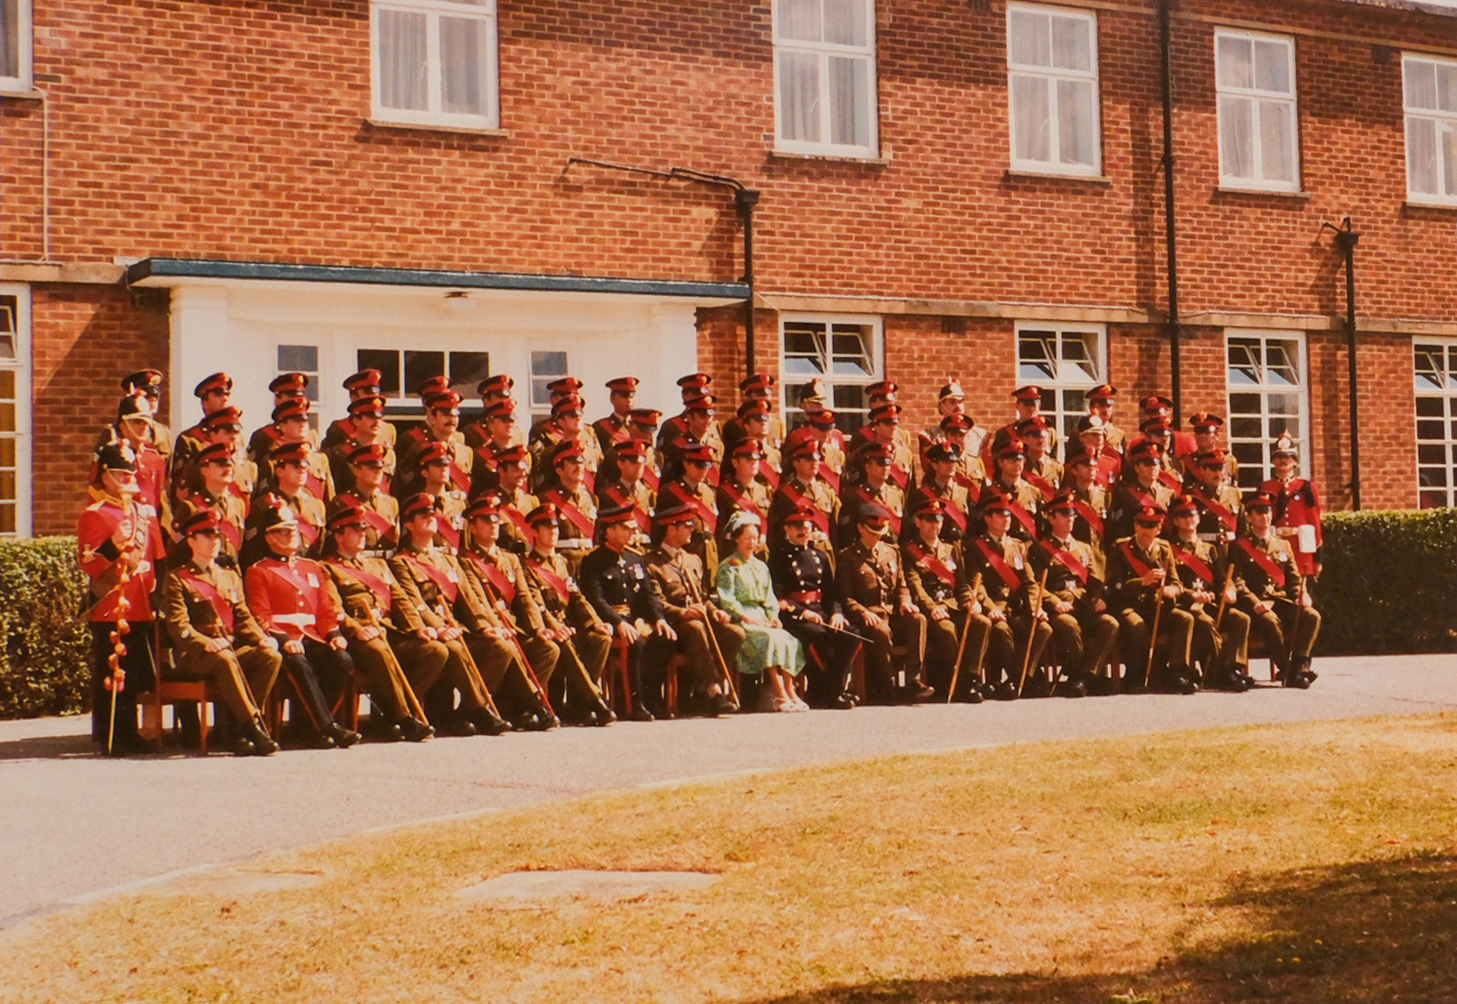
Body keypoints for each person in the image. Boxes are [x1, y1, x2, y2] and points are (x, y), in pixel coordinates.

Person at [387, 492, 514, 736]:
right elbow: (415, 602)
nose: (430, 518)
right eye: (422, 515)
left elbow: (470, 599)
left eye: (432, 514)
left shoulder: (448, 560)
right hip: (429, 630)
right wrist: (438, 627)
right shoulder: (402, 562)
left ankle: (466, 710)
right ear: (409, 524)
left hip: (456, 628)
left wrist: (484, 626)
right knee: (453, 649)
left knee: (501, 648)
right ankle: (479, 709)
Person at [160, 509, 282, 755]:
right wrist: (205, 642)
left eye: (217, 536)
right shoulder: (177, 579)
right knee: (225, 659)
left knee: (270, 656)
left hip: (229, 646)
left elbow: (242, 617)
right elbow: (178, 625)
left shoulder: (229, 577)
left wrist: (261, 638)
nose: (215, 541)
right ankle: (252, 728)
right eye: (207, 536)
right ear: (192, 541)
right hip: (195, 654)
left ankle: (237, 730)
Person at [242, 499, 363, 748]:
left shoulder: (312, 568)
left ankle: (310, 727)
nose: (291, 535)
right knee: (298, 663)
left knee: (342, 660)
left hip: (312, 635)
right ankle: (327, 727)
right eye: (283, 531)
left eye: (293, 530)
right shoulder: (259, 571)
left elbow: (325, 610)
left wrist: (333, 634)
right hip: (282, 638)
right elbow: (261, 615)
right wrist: (284, 639)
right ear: (269, 537)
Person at [318, 502, 438, 742]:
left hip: (388, 629)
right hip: (360, 636)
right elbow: (333, 608)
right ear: (339, 536)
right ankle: (404, 718)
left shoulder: (377, 565)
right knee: (379, 650)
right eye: (355, 530)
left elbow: (400, 599)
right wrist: (357, 629)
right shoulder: (327, 568)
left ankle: (390, 714)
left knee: (435, 651)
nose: (362, 534)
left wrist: (417, 627)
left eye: (364, 530)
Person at [78, 443, 168, 755]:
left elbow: (158, 557)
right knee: (111, 671)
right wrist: (112, 545)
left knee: (134, 673)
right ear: (105, 477)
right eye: (120, 473)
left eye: (129, 473)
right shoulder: (95, 514)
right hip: (110, 602)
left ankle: (130, 732)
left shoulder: (145, 513)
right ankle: (110, 736)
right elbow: (88, 563)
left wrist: (157, 597)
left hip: (140, 601)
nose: (127, 479)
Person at [456, 495, 565, 728]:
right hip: (486, 628)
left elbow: (525, 598)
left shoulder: (511, 559)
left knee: (549, 649)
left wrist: (537, 627)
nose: (493, 525)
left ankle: (516, 706)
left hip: (513, 625)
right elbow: (475, 600)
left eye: (496, 520)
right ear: (472, 527)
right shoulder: (466, 560)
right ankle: (532, 704)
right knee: (507, 648)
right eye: (486, 521)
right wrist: (491, 626)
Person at [519, 502, 616, 725]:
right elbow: (535, 603)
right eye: (547, 528)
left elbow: (576, 597)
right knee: (564, 642)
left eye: (555, 527)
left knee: (601, 638)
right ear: (535, 532)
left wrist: (595, 622)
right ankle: (594, 699)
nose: (553, 532)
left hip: (567, 624)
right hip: (547, 626)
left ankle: (578, 703)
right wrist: (555, 626)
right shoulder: (527, 565)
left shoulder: (562, 562)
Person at [644, 505, 745, 717]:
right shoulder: (652, 563)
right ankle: (714, 690)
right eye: (687, 525)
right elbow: (657, 602)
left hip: (700, 618)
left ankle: (702, 687)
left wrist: (714, 610)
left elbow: (703, 596)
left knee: (736, 633)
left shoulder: (693, 560)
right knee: (695, 627)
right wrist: (682, 612)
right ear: (671, 529)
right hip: (676, 624)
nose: (692, 529)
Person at [579, 502, 676, 721]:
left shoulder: (635, 558)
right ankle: (634, 703)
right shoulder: (593, 561)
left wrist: (659, 619)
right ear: (610, 531)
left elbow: (647, 594)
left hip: (634, 618)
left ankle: (653, 698)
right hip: (610, 620)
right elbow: (595, 599)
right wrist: (618, 622)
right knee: (635, 641)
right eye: (627, 528)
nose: (633, 532)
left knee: (665, 638)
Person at [961, 491, 1052, 700]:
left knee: (1044, 628)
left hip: (1016, 608)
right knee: (1001, 630)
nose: (1006, 519)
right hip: (995, 609)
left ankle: (1019, 678)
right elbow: (977, 584)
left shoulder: (1018, 546)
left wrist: (1035, 607)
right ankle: (1016, 681)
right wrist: (991, 608)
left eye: (1008, 515)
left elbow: (1029, 582)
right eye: (1000, 515)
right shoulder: (977, 547)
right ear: (987, 518)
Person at [1028, 491, 1119, 697]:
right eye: (1064, 514)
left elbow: (1095, 581)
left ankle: (1087, 676)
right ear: (1051, 518)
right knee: (1069, 625)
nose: (1070, 518)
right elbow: (1036, 585)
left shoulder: (1084, 548)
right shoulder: (1039, 549)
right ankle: (1078, 676)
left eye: (1072, 514)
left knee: (1110, 623)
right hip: (1060, 607)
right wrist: (1054, 602)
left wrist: (1097, 598)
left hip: (1084, 606)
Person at [836, 503, 929, 704]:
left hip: (892, 612)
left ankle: (913, 681)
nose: (877, 536)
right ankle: (889, 685)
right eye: (872, 532)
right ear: (861, 528)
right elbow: (845, 597)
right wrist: (863, 612)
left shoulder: (892, 552)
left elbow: (902, 585)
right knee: (881, 630)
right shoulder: (847, 556)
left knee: (918, 619)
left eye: (880, 532)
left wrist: (905, 602)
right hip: (868, 615)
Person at [715, 511, 806, 712]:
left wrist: (773, 616)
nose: (752, 543)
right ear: (737, 538)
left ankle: (790, 691)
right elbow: (727, 599)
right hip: (741, 619)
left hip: (762, 617)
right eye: (747, 538)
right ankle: (779, 693)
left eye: (755, 538)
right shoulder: (728, 567)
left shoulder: (761, 567)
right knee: (769, 639)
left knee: (787, 639)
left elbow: (769, 597)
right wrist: (745, 616)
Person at [771, 505, 859, 709]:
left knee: (851, 634)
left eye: (806, 525)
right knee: (818, 635)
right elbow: (778, 596)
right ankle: (828, 692)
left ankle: (832, 690)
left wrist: (836, 613)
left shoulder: (820, 556)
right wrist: (803, 612)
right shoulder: (778, 557)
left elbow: (832, 593)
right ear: (786, 529)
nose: (802, 530)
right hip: (794, 615)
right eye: (796, 525)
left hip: (821, 611)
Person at [901, 497, 989, 703]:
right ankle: (950, 682)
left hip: (954, 605)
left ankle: (970, 678)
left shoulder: (950, 549)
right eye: (929, 519)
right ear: (918, 522)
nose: (935, 525)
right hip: (932, 609)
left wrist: (970, 602)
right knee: (947, 629)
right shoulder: (909, 551)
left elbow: (962, 584)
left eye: (938, 519)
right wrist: (932, 607)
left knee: (982, 622)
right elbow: (915, 586)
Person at [1230, 491, 1321, 688]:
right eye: (1259, 512)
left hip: (1280, 600)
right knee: (1270, 620)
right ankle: (1287, 670)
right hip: (1257, 603)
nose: (1264, 516)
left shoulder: (1283, 544)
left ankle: (1299, 665)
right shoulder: (1239, 546)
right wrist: (1255, 603)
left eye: (1267, 511)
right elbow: (1238, 581)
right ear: (1249, 517)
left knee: (1312, 616)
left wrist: (1302, 595)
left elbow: (1294, 579)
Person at [1166, 494, 1254, 692]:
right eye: (1183, 516)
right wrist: (1191, 594)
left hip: (1211, 603)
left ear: (1199, 518)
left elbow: (1223, 578)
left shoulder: (1210, 549)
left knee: (1241, 619)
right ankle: (1221, 672)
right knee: (1205, 622)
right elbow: (1171, 582)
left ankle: (1234, 666)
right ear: (1176, 521)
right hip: (1186, 605)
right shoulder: (1169, 549)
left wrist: (1229, 590)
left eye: (1192, 515)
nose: (1189, 520)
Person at [1105, 503, 1197, 694]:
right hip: (1131, 605)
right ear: (1136, 526)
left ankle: (1177, 672)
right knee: (1136, 625)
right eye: (1144, 524)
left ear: (1160, 528)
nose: (1148, 530)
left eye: (1153, 525)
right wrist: (1142, 582)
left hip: (1157, 605)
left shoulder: (1163, 548)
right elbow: (1114, 586)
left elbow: (1177, 583)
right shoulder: (1121, 548)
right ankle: (1135, 675)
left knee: (1184, 618)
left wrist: (1172, 590)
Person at [1261, 433, 1323, 583]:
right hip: (1274, 547)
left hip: (1301, 550)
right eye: (1279, 457)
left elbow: (1315, 522)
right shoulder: (1266, 487)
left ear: (1295, 461)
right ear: (1273, 461)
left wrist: (1317, 559)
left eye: (1288, 457)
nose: (1283, 460)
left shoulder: (1306, 487)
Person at [323, 369, 398, 452]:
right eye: (368, 393)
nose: (373, 397)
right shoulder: (339, 428)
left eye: (376, 392)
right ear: (354, 397)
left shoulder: (388, 429)